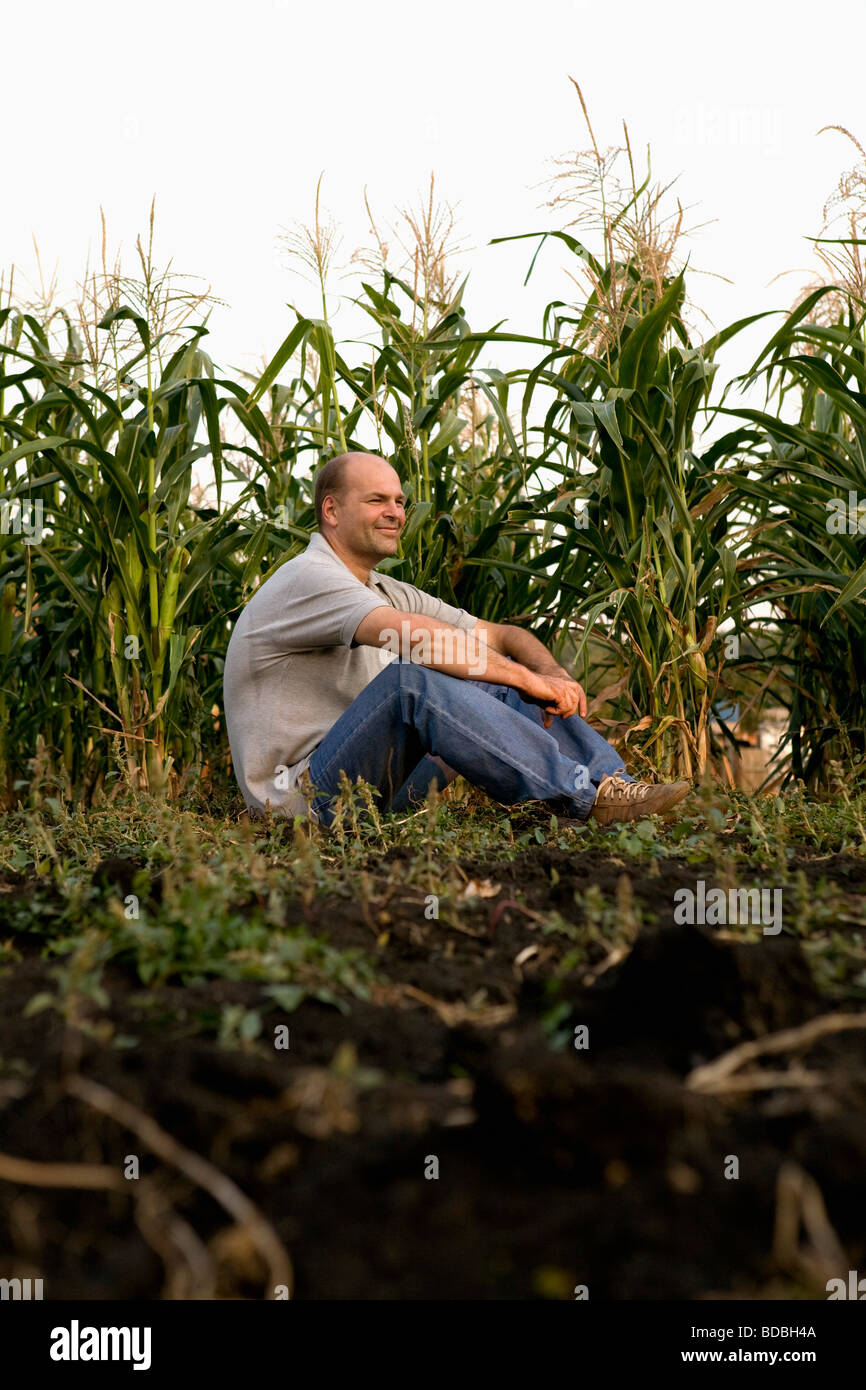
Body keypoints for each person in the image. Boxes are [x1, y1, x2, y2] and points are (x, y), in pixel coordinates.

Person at [223, 452, 690, 828]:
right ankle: (578, 795)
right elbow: (417, 640)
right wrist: (524, 677)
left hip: (371, 789)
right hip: (301, 800)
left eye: (400, 501)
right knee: (413, 682)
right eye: (376, 501)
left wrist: (548, 675)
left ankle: (612, 787)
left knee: (495, 678)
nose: (396, 513)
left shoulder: (383, 588)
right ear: (331, 510)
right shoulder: (309, 577)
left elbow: (504, 636)